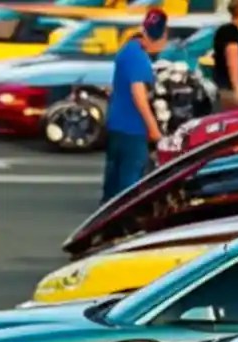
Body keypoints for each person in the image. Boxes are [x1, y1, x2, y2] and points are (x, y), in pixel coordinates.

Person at [100, 8, 168, 204]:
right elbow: (138, 95)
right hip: (133, 128)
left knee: (113, 180)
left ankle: (106, 216)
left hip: (117, 125)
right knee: (130, 182)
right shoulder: (139, 58)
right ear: (160, 35)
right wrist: (154, 129)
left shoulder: (128, 50)